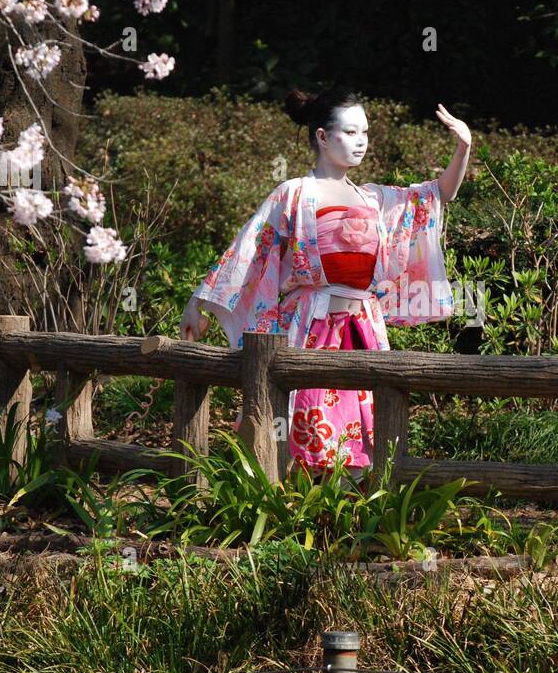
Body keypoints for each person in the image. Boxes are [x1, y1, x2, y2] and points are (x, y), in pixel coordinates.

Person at [179, 86, 471, 473]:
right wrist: (199, 302)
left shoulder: (374, 198)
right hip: (312, 324)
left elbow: (438, 195)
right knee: (305, 417)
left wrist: (463, 147)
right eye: (350, 132)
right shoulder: (294, 193)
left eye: (365, 133)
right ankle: (293, 510)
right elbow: (249, 250)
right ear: (321, 136)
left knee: (367, 424)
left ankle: (353, 516)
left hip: (364, 327)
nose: (361, 142)